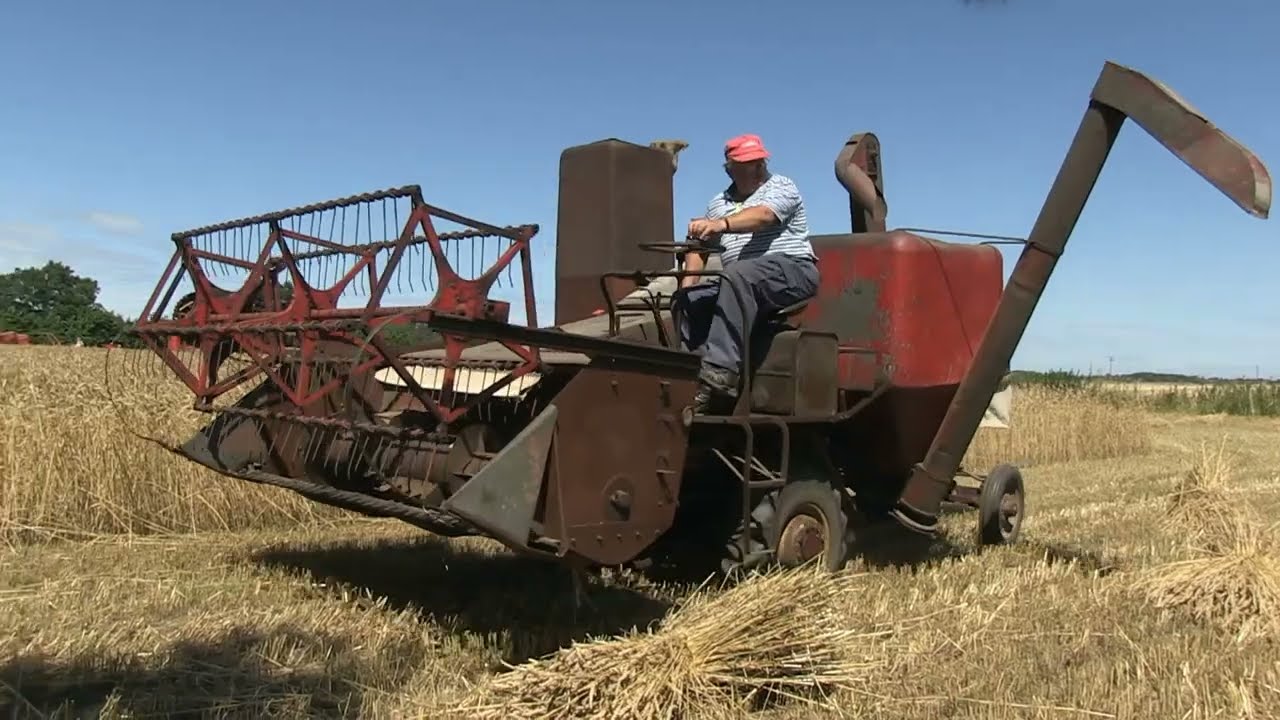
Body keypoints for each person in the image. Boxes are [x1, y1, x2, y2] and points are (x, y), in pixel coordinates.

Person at [675, 133, 819, 413]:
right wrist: (687, 286)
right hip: (743, 280)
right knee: (689, 299)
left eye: (759, 162)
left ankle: (720, 373)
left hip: (792, 271)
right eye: (747, 163)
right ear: (730, 168)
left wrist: (721, 225)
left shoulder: (782, 186)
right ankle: (690, 374)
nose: (757, 168)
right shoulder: (718, 203)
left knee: (736, 275)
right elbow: (699, 248)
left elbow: (764, 216)